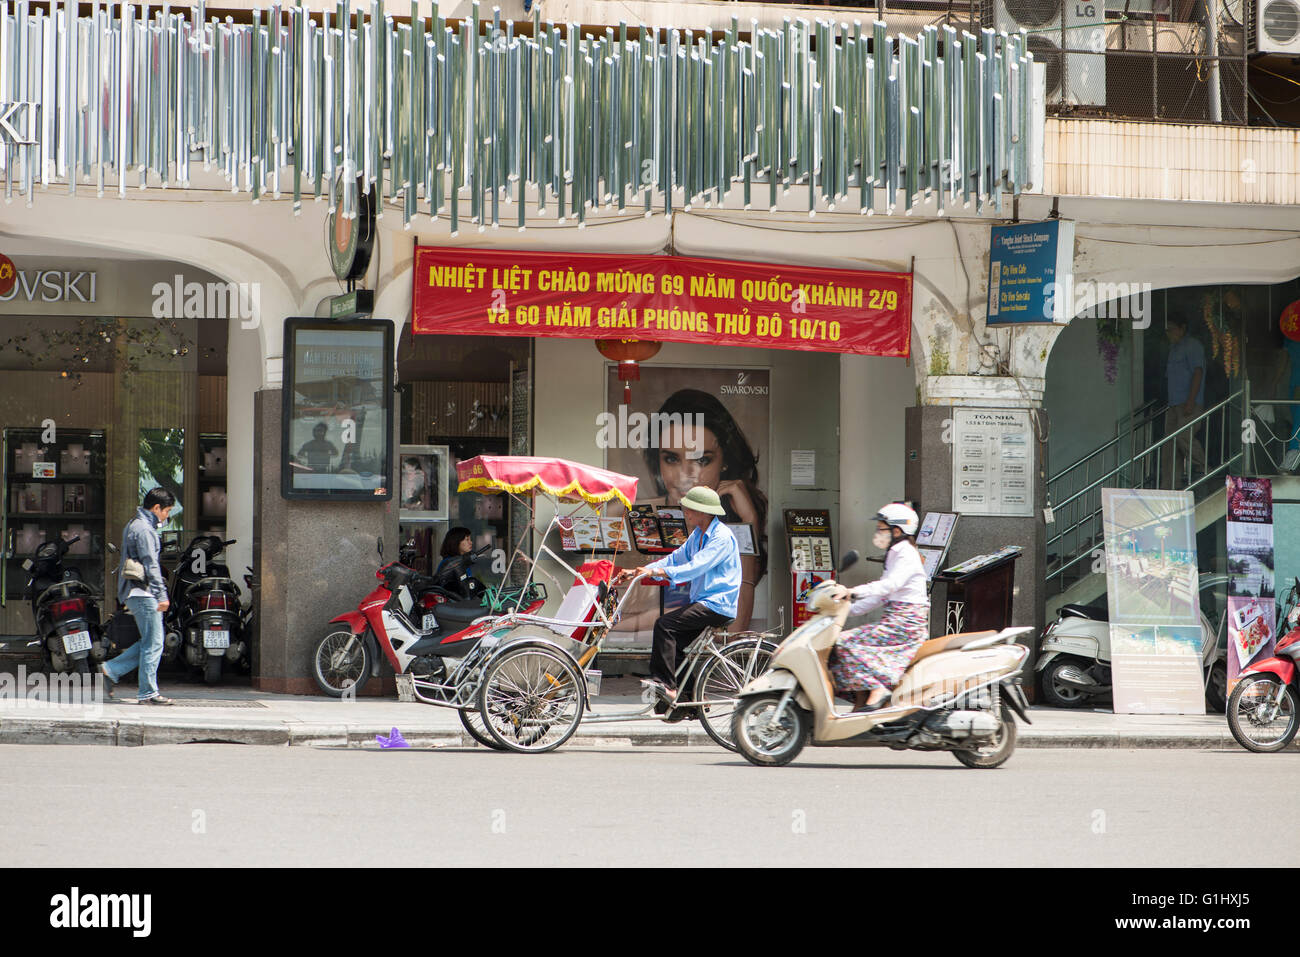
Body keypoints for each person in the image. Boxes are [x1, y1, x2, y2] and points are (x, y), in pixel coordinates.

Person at [620, 388, 767, 633]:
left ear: (725, 461)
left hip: (704, 627)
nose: (686, 476)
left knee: (669, 630)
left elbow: (736, 629)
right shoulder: (636, 515)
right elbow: (675, 560)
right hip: (667, 633)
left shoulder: (720, 535)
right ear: (657, 462)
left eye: (702, 460)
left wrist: (749, 521)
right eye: (672, 459)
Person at [613, 486, 741, 707]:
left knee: (665, 625)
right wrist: (639, 571)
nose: (686, 513)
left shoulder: (721, 538)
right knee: (672, 649)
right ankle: (693, 700)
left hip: (717, 604)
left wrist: (657, 573)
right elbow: (674, 559)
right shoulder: (698, 535)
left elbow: (696, 567)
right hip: (703, 603)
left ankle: (666, 685)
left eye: (689, 509)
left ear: (703, 512)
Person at [828, 503, 930, 713]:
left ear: (897, 530)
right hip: (895, 620)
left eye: (882, 528)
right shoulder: (895, 552)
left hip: (905, 623)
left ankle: (878, 686)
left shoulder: (906, 553)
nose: (878, 533)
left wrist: (852, 591)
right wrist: (846, 608)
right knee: (838, 646)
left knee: (845, 643)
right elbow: (880, 596)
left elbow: (889, 585)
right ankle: (860, 707)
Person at [100, 488, 175, 705]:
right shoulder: (144, 530)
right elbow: (151, 565)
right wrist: (161, 595)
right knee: (154, 643)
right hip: (144, 592)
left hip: (137, 592)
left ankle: (111, 669)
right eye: (167, 511)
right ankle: (148, 693)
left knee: (150, 641)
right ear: (156, 508)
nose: (167, 516)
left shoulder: (135, 524)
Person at [1162, 315, 1206, 485]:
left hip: (1189, 403)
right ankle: (1170, 485)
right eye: (1167, 330)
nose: (1168, 333)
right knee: (1169, 446)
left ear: (1182, 328)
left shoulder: (1192, 345)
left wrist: (1191, 401)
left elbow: (1197, 372)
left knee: (1183, 436)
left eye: (1171, 328)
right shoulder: (1173, 348)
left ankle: (1203, 466)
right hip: (1174, 405)